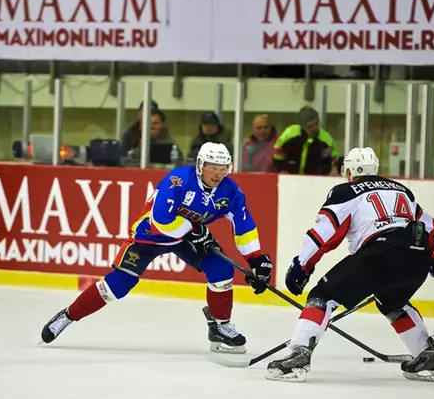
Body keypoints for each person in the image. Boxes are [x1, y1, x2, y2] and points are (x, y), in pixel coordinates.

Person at [40, 142, 273, 354]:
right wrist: (194, 231)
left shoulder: (230, 191)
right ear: (200, 165)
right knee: (117, 287)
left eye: (223, 167)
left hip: (184, 238)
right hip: (148, 237)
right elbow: (161, 220)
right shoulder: (178, 180)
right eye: (213, 166)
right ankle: (68, 316)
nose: (218, 173)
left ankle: (220, 326)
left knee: (222, 270)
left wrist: (256, 259)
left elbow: (244, 226)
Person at [266, 147, 434, 382]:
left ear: (351, 171)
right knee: (393, 302)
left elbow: (324, 233)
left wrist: (302, 266)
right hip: (418, 257)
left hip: (380, 254)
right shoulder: (402, 190)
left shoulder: (345, 191)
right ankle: (427, 356)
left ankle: (298, 355)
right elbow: (430, 227)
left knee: (322, 296)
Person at [273, 106, 341, 175]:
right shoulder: (290, 133)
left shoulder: (326, 138)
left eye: (316, 124)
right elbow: (277, 151)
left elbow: (335, 157)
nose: (314, 128)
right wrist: (282, 168)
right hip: (291, 176)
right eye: (310, 126)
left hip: (316, 179)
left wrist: (334, 169)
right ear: (302, 126)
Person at [121, 100, 183, 165]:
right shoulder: (137, 140)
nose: (151, 127)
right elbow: (127, 160)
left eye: (155, 124)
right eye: (148, 124)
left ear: (162, 125)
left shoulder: (171, 144)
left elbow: (178, 163)